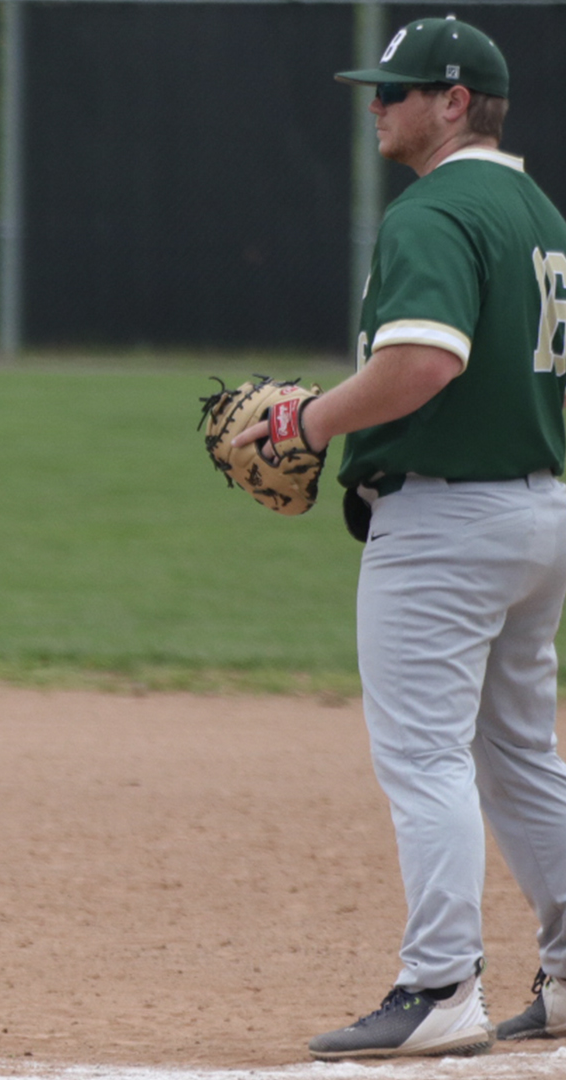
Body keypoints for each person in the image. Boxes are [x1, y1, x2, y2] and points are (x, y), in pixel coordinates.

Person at [234, 16, 566, 1059]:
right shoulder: (539, 211)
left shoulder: (439, 210)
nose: (377, 103)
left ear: (454, 100)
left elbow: (424, 363)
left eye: (397, 89)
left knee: (425, 757)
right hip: (540, 508)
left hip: (448, 522)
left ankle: (439, 986)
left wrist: (305, 420)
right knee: (516, 749)